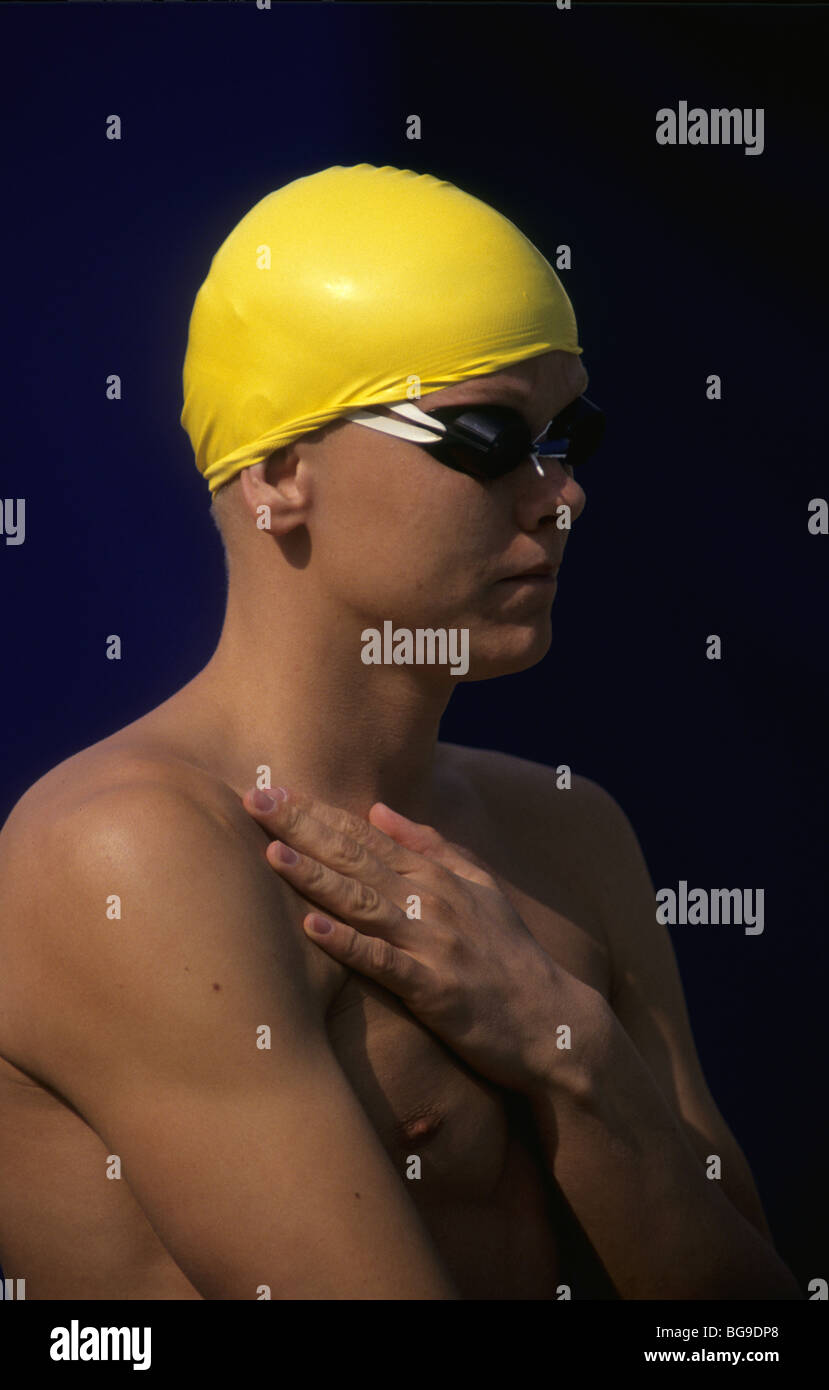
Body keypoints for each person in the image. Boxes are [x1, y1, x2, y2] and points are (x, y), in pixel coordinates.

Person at [0, 165, 799, 1300]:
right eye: (485, 434)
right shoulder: (126, 854)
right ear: (280, 472)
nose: (559, 494)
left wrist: (568, 1054)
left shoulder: (566, 830)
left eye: (570, 437)